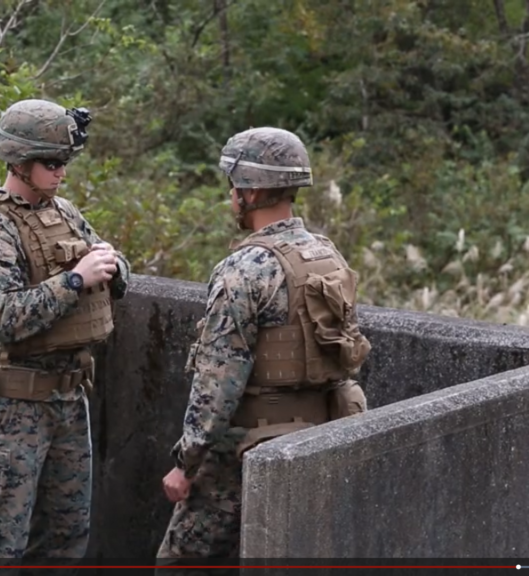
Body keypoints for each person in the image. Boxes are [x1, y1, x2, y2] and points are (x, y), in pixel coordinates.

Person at [155, 127, 372, 565]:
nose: (231, 195)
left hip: (245, 448)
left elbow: (217, 381)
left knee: (182, 563)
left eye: (234, 186)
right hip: (319, 439)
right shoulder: (326, 255)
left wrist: (186, 463)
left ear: (250, 192)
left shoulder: (244, 269)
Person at [0, 98, 131, 562]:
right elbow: (0, 318)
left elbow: (110, 264)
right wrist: (74, 280)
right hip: (14, 405)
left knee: (65, 542)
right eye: (51, 163)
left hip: (67, 398)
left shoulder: (62, 211)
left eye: (65, 161)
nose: (60, 172)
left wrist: (112, 265)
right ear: (19, 161)